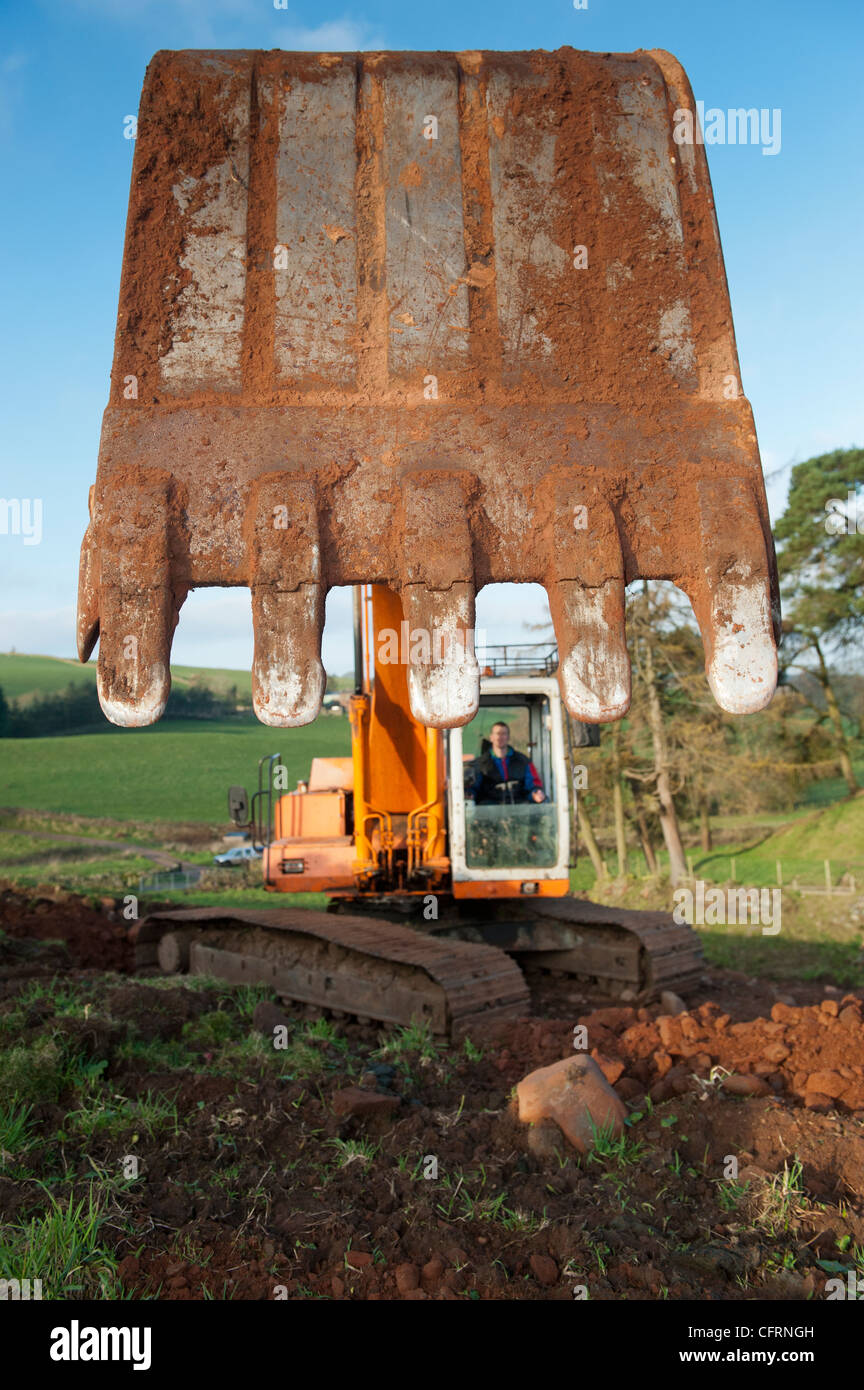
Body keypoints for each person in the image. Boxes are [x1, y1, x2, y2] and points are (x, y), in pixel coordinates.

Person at [466, 722, 547, 805]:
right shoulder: (480, 764)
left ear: (508, 737)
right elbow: (473, 788)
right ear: (491, 737)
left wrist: (536, 794)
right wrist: (470, 794)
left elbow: (533, 784)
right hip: (489, 812)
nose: (500, 737)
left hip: (519, 810)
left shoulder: (523, 761)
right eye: (497, 734)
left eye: (503, 734)